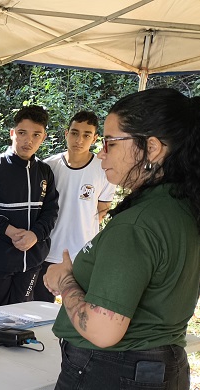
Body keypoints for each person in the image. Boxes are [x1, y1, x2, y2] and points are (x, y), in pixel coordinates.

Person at [43, 88, 200, 390]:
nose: (101, 154)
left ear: (151, 147)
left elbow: (103, 330)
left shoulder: (138, 222)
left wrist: (66, 281)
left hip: (108, 382)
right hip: (161, 374)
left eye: (110, 142)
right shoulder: (179, 208)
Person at [0, 105, 58, 308]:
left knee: (22, 312)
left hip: (32, 260)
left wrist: (35, 235)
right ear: (12, 133)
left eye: (36, 134)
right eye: (22, 133)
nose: (29, 140)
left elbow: (51, 211)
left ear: (43, 137)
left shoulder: (44, 172)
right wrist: (9, 230)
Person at [32, 111, 115, 303]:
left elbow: (102, 209)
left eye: (87, 135)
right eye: (75, 133)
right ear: (66, 133)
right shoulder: (48, 166)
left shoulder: (103, 168)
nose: (79, 139)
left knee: (78, 307)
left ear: (95, 138)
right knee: (40, 306)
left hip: (83, 253)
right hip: (47, 249)